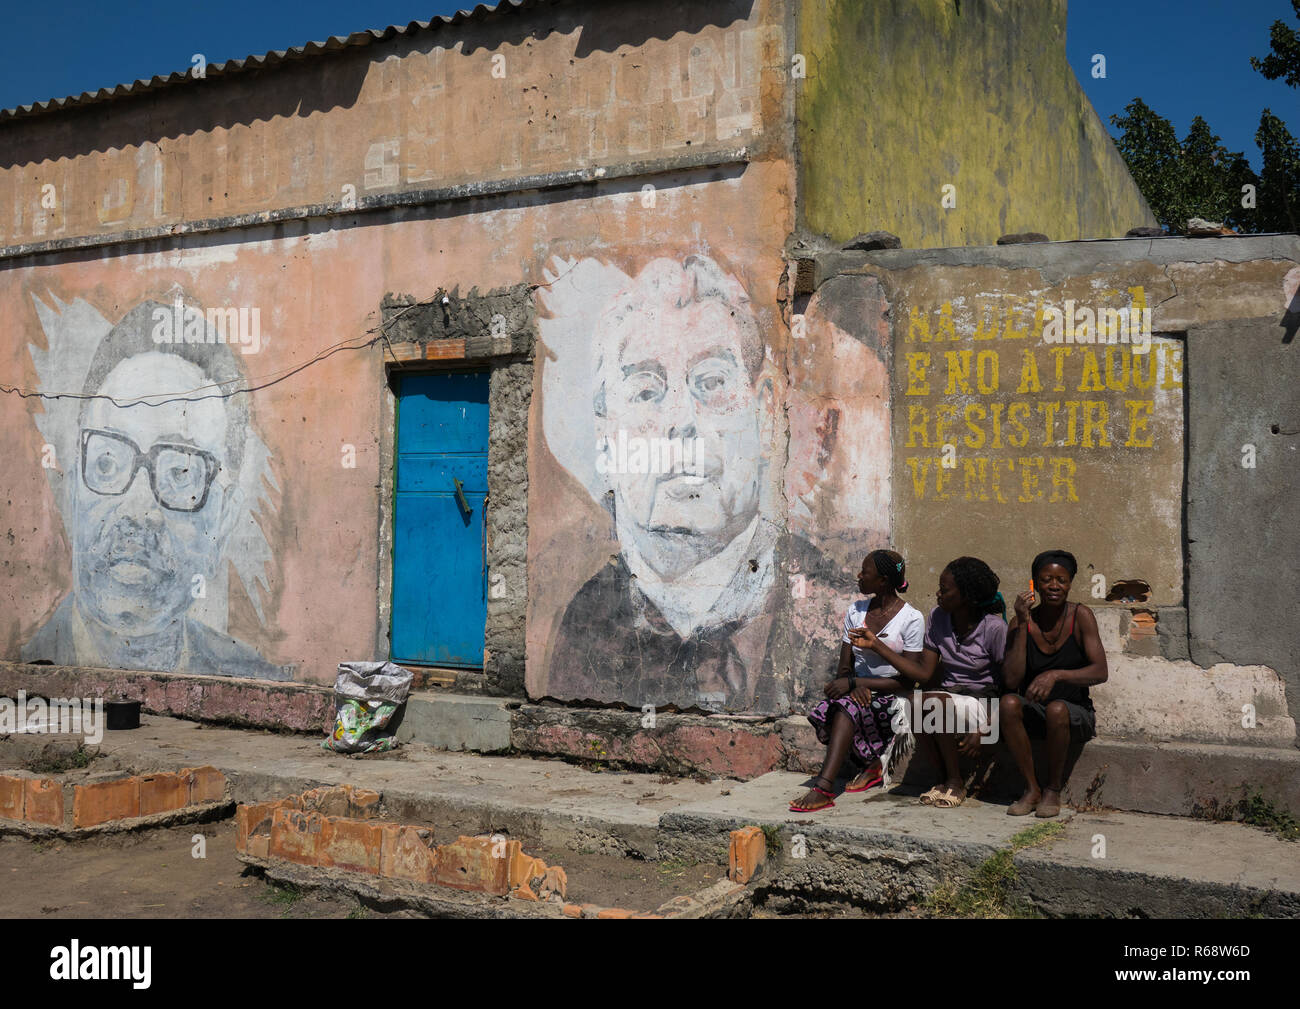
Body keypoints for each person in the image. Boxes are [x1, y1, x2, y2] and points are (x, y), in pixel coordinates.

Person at [545, 254, 838, 713]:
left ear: (763, 410)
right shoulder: (583, 622)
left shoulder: (826, 600)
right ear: (605, 428)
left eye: (712, 382)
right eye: (646, 391)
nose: (681, 421)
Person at [22, 300, 288, 680]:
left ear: (224, 522)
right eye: (107, 463)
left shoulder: (248, 678)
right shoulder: (26, 662)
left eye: (180, 472)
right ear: (72, 493)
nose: (138, 509)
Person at [846, 556, 1007, 808]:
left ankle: (955, 781)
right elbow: (922, 674)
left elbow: (1009, 685)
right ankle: (941, 780)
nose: (938, 594)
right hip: (949, 698)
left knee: (934, 700)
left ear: (966, 595)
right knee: (913, 701)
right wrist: (876, 644)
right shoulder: (938, 617)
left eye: (945, 590)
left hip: (984, 706)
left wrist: (987, 727)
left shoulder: (994, 628)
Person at [788, 549, 923, 813]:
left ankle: (824, 788)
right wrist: (853, 683)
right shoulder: (856, 611)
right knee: (839, 705)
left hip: (895, 698)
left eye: (865, 572)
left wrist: (858, 684)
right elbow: (844, 669)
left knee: (847, 704)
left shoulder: (911, 618)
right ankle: (871, 763)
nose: (859, 576)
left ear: (883, 581)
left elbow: (908, 682)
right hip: (860, 692)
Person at [1000, 549, 1108, 818]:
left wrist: (1056, 675)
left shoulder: (1081, 616)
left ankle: (1052, 789)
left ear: (1070, 583)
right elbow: (1012, 679)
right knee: (1008, 703)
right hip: (1036, 712)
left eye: (1061, 580)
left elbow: (1100, 671)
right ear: (1034, 584)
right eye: (1046, 579)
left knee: (1058, 708)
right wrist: (1024, 622)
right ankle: (1031, 788)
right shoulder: (1020, 622)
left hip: (1074, 714)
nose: (1054, 586)